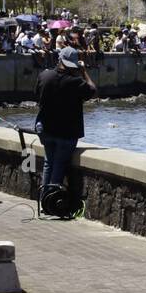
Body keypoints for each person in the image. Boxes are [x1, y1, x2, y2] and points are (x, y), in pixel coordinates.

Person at [34, 46, 97, 196]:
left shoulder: (44, 76)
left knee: (49, 163)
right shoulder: (75, 82)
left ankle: (44, 199)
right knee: (59, 165)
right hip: (66, 132)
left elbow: (37, 94)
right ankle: (51, 199)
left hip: (46, 129)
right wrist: (83, 72)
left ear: (59, 60)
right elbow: (92, 90)